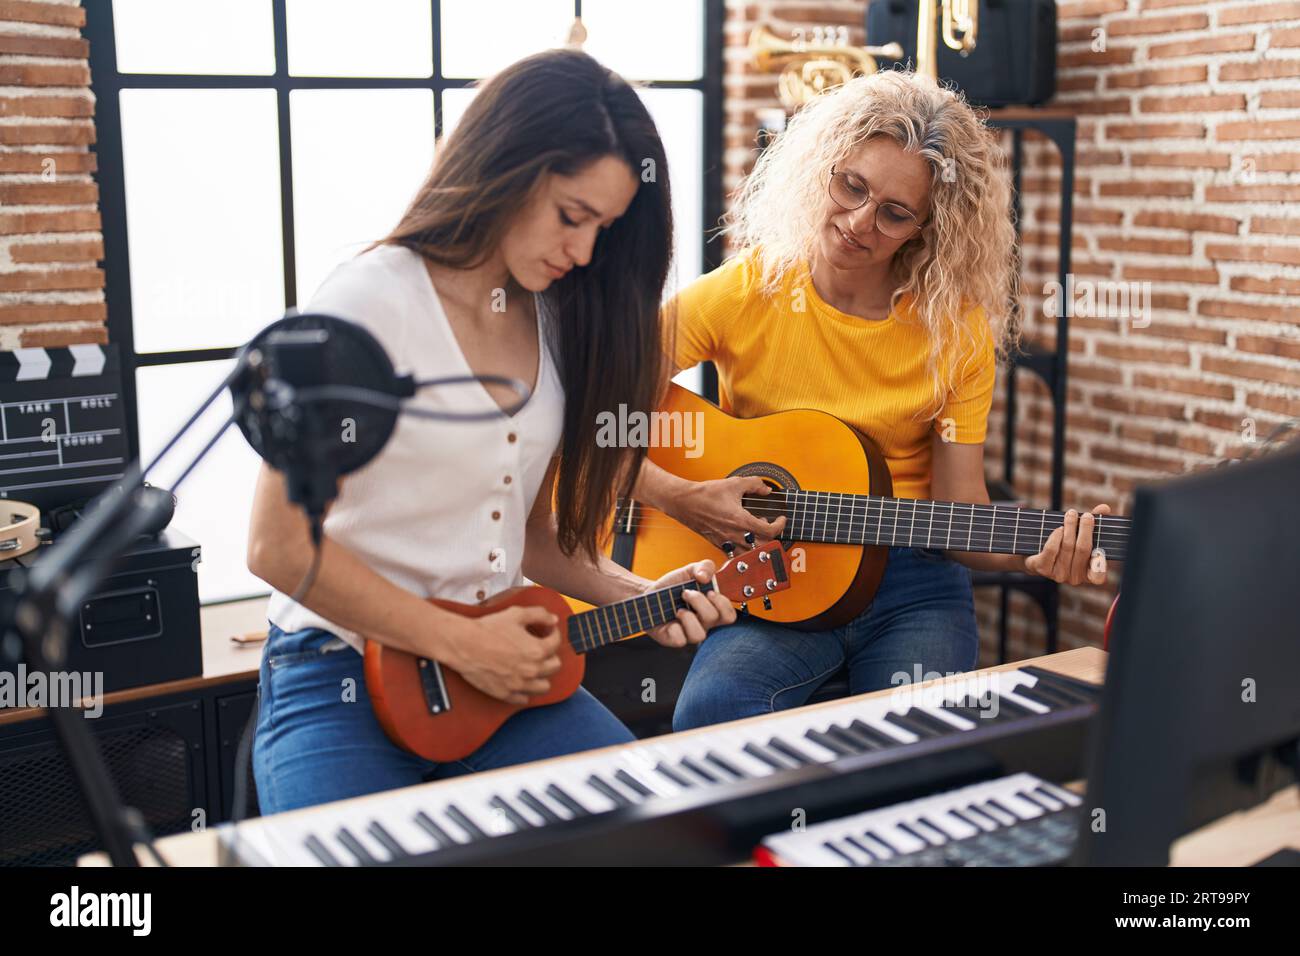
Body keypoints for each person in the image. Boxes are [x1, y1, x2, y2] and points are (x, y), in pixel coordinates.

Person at [248, 49, 736, 815]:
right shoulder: (366, 303)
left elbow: (535, 540)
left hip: (495, 681)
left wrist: (644, 593)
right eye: (572, 216)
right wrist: (458, 642)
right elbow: (277, 546)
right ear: (507, 165)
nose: (583, 252)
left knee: (660, 825)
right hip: (336, 671)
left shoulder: (552, 318)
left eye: (602, 229)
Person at [631, 69, 1112, 731]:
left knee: (921, 740)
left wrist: (1039, 552)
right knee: (711, 718)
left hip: (912, 585)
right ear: (821, 167)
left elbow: (962, 513)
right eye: (850, 186)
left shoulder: (955, 332)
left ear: (927, 228)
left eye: (894, 214)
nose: (859, 223)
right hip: (773, 576)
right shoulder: (745, 293)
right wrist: (673, 494)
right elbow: (589, 406)